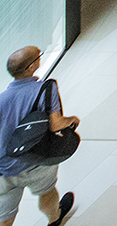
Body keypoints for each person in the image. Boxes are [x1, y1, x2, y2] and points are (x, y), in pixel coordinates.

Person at [0, 47, 76, 226]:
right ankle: (54, 220)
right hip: (36, 161)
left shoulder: (2, 99)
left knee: (5, 212)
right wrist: (72, 120)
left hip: (4, 167)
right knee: (47, 192)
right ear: (32, 66)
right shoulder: (45, 89)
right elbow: (55, 123)